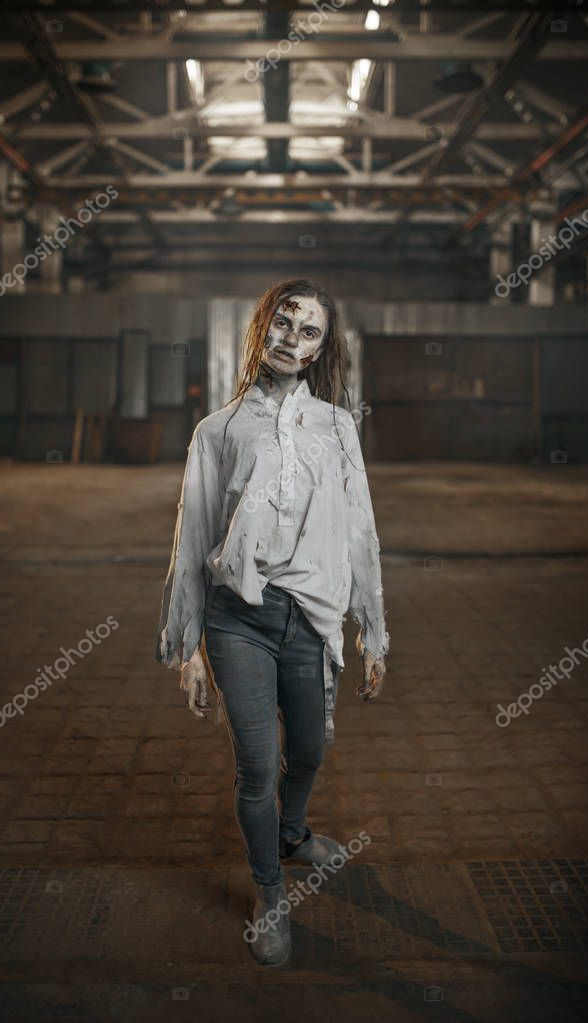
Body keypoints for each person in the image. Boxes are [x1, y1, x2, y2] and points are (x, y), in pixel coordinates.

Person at [156, 278, 389, 967]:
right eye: (283, 323)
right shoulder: (218, 430)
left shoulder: (336, 427)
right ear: (263, 328)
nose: (293, 338)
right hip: (239, 620)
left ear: (321, 348)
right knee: (255, 765)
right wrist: (186, 650)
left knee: (309, 751)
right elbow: (192, 535)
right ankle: (269, 893)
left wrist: (371, 628)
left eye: (309, 330)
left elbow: (359, 531)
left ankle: (292, 832)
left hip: (310, 619)